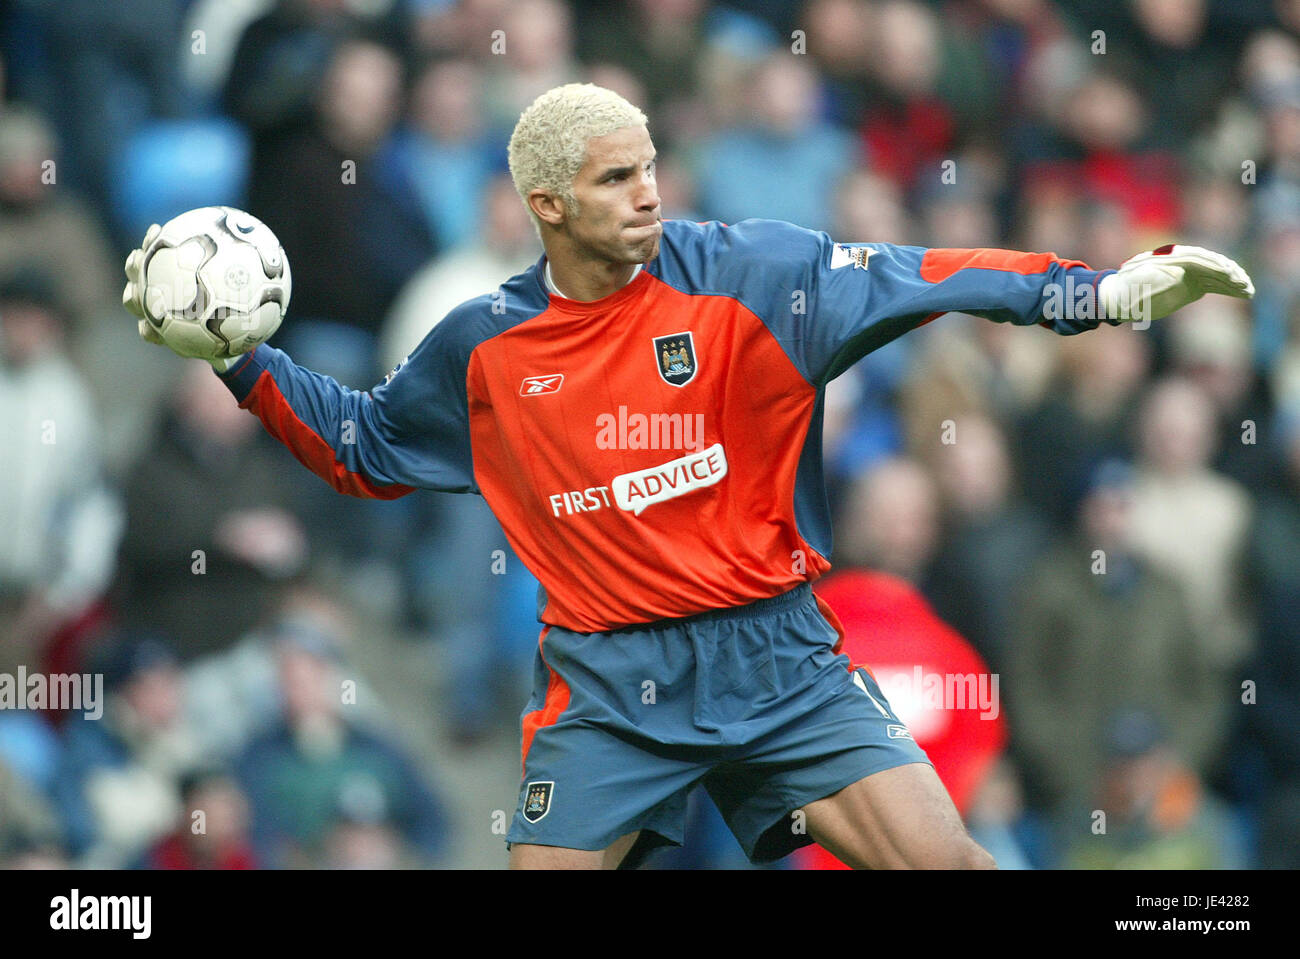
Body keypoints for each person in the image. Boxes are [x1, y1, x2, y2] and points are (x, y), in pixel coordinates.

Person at [122, 83, 1254, 870]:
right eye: (617, 179)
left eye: (651, 166)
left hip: (779, 655)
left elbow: (927, 272)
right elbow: (365, 450)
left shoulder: (755, 275)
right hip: (609, 683)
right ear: (549, 206)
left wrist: (1091, 294)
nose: (650, 193)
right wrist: (238, 358)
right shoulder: (484, 349)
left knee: (948, 857)